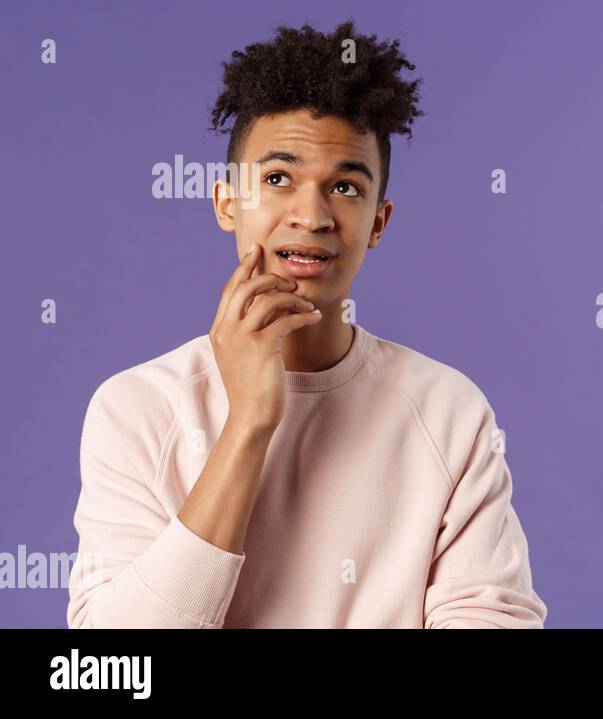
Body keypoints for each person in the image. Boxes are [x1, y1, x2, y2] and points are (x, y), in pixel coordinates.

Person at [66, 20, 546, 628]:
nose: (312, 215)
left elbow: (491, 619)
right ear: (225, 202)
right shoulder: (136, 408)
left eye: (345, 186)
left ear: (378, 222)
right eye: (276, 179)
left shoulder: (449, 411)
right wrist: (248, 425)